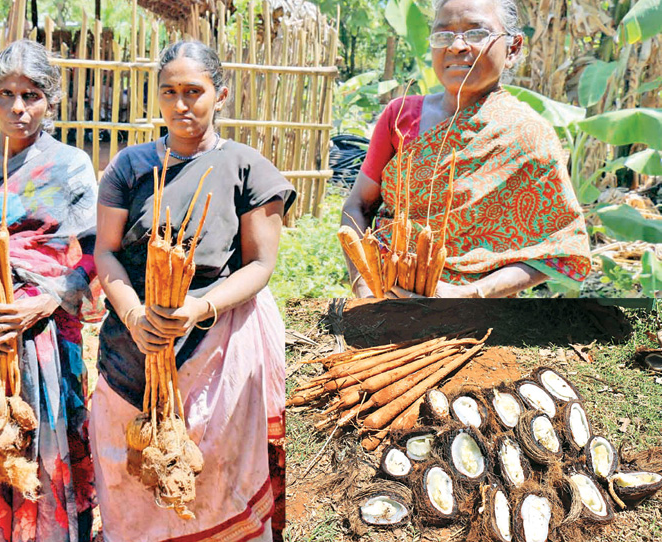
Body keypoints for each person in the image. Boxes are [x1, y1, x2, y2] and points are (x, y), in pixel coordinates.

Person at [91, 41, 294, 541]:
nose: (182, 104)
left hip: (215, 343)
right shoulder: (130, 167)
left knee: (212, 472)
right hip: (131, 344)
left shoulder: (248, 168)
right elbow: (106, 253)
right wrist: (137, 316)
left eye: (194, 91)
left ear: (220, 94)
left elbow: (260, 266)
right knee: (132, 472)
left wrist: (199, 306)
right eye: (169, 92)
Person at [0, 40, 97, 542]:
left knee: (53, 435)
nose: (18, 108)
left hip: (49, 325)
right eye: (5, 94)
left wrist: (49, 299)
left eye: (31, 94)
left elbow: (94, 254)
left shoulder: (72, 165)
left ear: (51, 99)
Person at [342, 0, 591, 298]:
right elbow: (357, 205)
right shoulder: (400, 116)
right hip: (388, 298)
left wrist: (470, 294)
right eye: (443, 35)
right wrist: (364, 287)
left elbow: (560, 246)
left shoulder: (529, 135)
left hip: (480, 319)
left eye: (476, 34)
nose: (457, 46)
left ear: (512, 49)